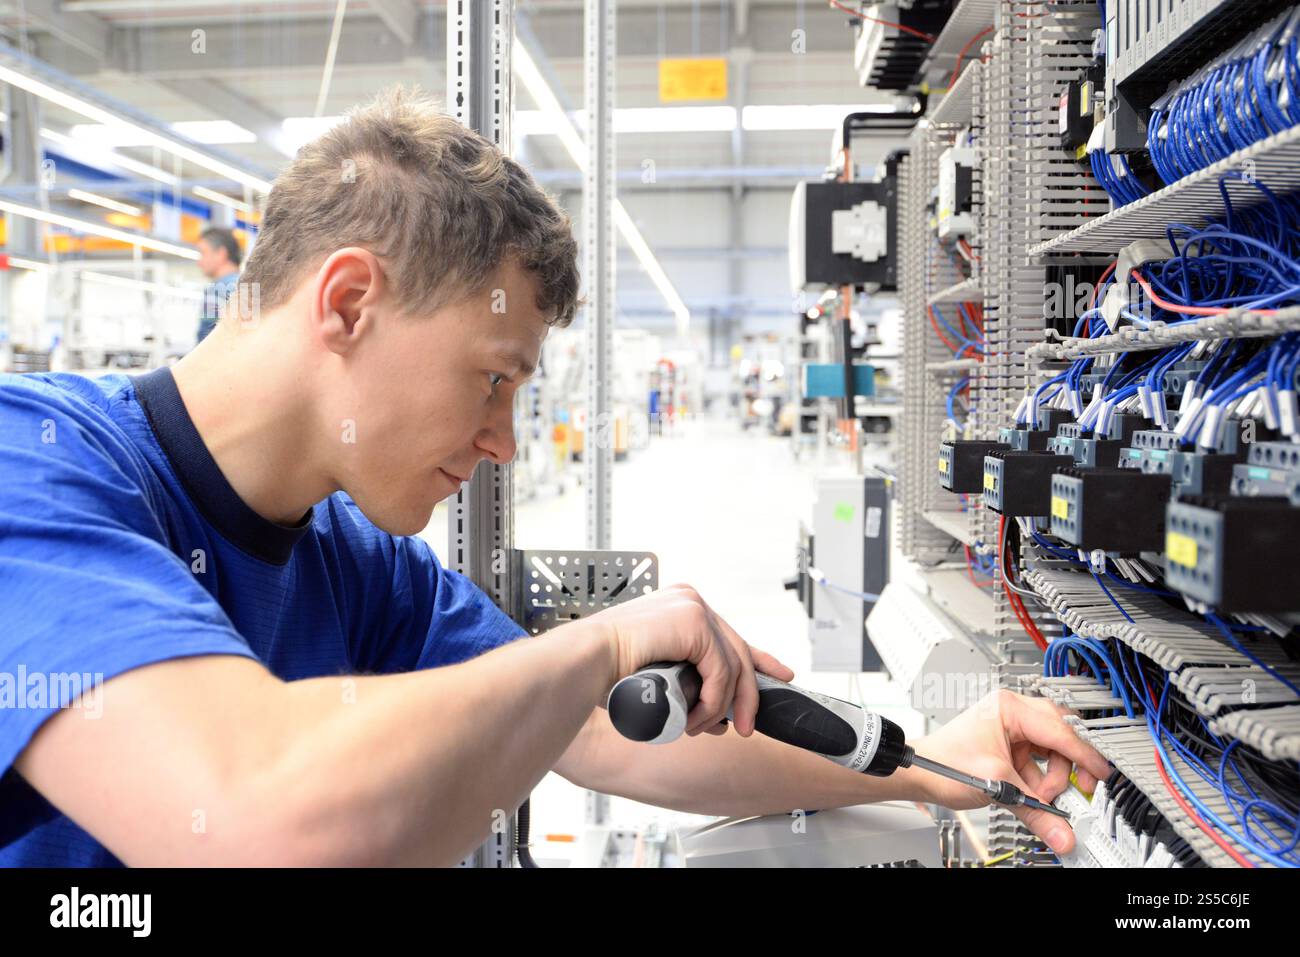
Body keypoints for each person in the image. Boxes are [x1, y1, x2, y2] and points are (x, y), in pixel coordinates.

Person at [0, 87, 1109, 866]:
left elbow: (617, 742)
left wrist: (925, 764)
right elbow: (250, 822)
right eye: (492, 380)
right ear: (347, 303)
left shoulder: (361, 567)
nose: (505, 442)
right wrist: (605, 640)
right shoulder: (34, 473)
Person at [194, 226, 242, 344]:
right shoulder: (248, 286)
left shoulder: (217, 290)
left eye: (203, 253)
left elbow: (205, 339)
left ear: (221, 254)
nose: (199, 262)